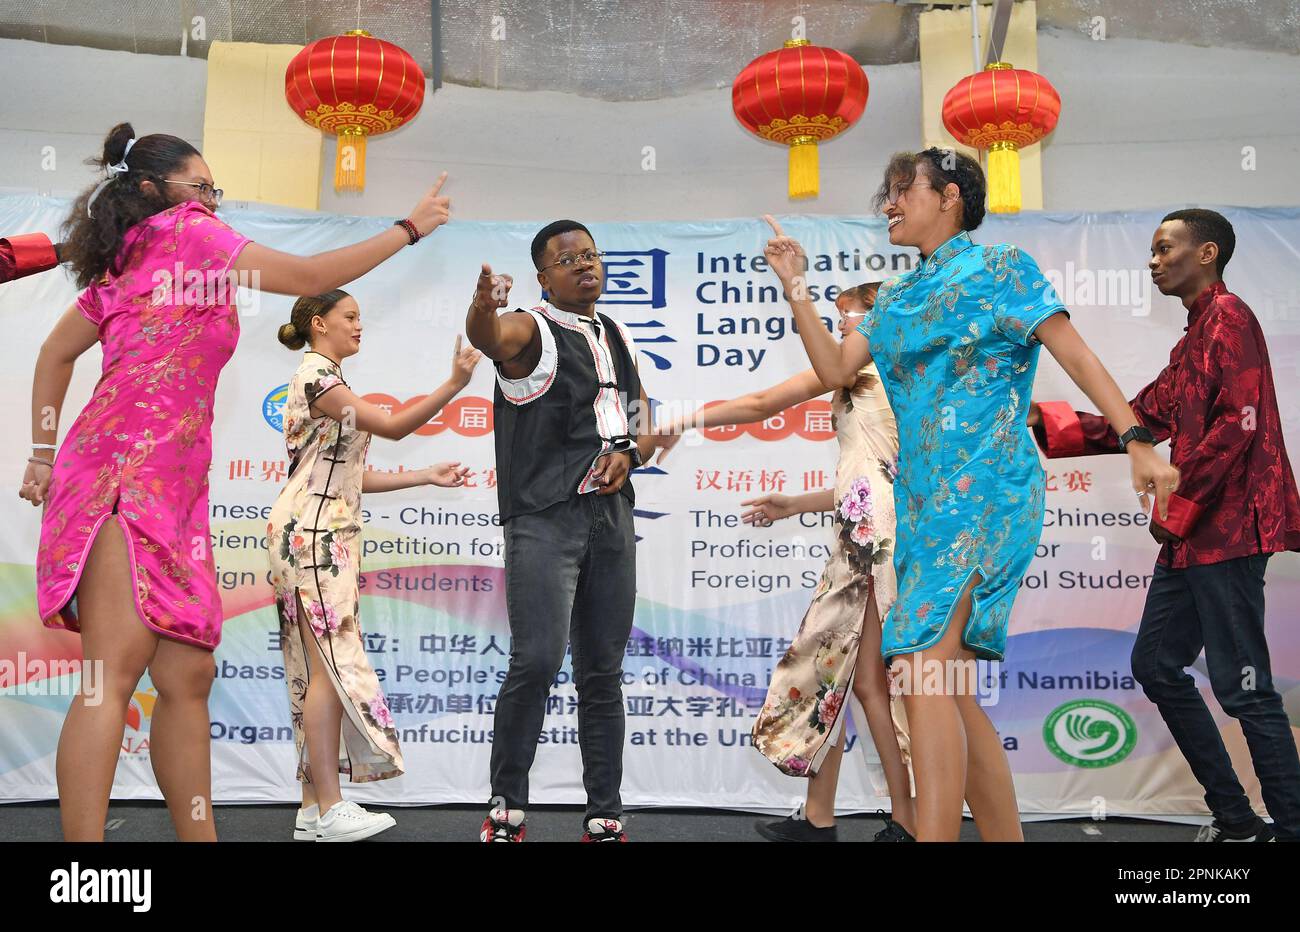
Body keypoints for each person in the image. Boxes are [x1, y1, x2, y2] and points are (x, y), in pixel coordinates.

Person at [19, 121, 451, 841]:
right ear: (158, 191)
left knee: (188, 679)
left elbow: (57, 353)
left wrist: (41, 453)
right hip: (121, 475)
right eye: (203, 185)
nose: (213, 199)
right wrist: (410, 227)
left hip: (175, 490)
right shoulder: (184, 232)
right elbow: (312, 281)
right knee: (112, 671)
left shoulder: (136, 254)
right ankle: (84, 866)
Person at [763, 147, 1180, 841]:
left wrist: (1136, 437)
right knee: (944, 687)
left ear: (950, 196)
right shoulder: (896, 298)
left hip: (990, 492)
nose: (889, 204)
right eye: (887, 193)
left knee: (924, 671)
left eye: (903, 190)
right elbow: (836, 365)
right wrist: (795, 287)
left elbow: (1074, 353)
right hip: (923, 509)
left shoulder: (1002, 270)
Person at [1029, 208, 1300, 842]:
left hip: (1228, 529)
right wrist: (1051, 424)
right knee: (1156, 666)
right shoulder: (1194, 335)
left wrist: (1176, 506)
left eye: (1164, 248)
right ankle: (1236, 820)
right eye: (1151, 251)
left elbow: (1243, 423)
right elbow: (1145, 418)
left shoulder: (1230, 319)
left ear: (1207, 253)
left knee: (1244, 688)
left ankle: (1288, 828)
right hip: (1191, 535)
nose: (1152, 261)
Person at [659, 284, 915, 842]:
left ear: (877, 321)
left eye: (845, 318)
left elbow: (760, 404)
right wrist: (797, 504)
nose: (839, 327)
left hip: (876, 540)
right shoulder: (869, 375)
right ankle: (822, 817)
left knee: (867, 681)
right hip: (866, 529)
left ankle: (909, 822)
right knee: (836, 672)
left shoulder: (868, 368)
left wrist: (679, 420)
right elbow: (867, 476)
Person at [465, 219, 671, 842]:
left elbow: (648, 422)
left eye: (590, 254)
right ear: (543, 277)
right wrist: (482, 309)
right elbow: (491, 337)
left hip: (611, 518)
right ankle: (506, 804)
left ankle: (604, 809)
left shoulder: (616, 333)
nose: (585, 264)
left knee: (601, 670)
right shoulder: (530, 326)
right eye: (567, 259)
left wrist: (631, 455)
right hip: (544, 521)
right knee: (537, 659)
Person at [268, 291, 480, 841]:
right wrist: (453, 385)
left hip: (316, 529)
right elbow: (392, 427)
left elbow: (343, 475)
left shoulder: (325, 378)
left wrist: (423, 476)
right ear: (320, 324)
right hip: (314, 537)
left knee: (316, 667)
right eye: (351, 317)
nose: (361, 326)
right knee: (329, 666)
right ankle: (331, 807)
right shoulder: (319, 377)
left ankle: (315, 806)